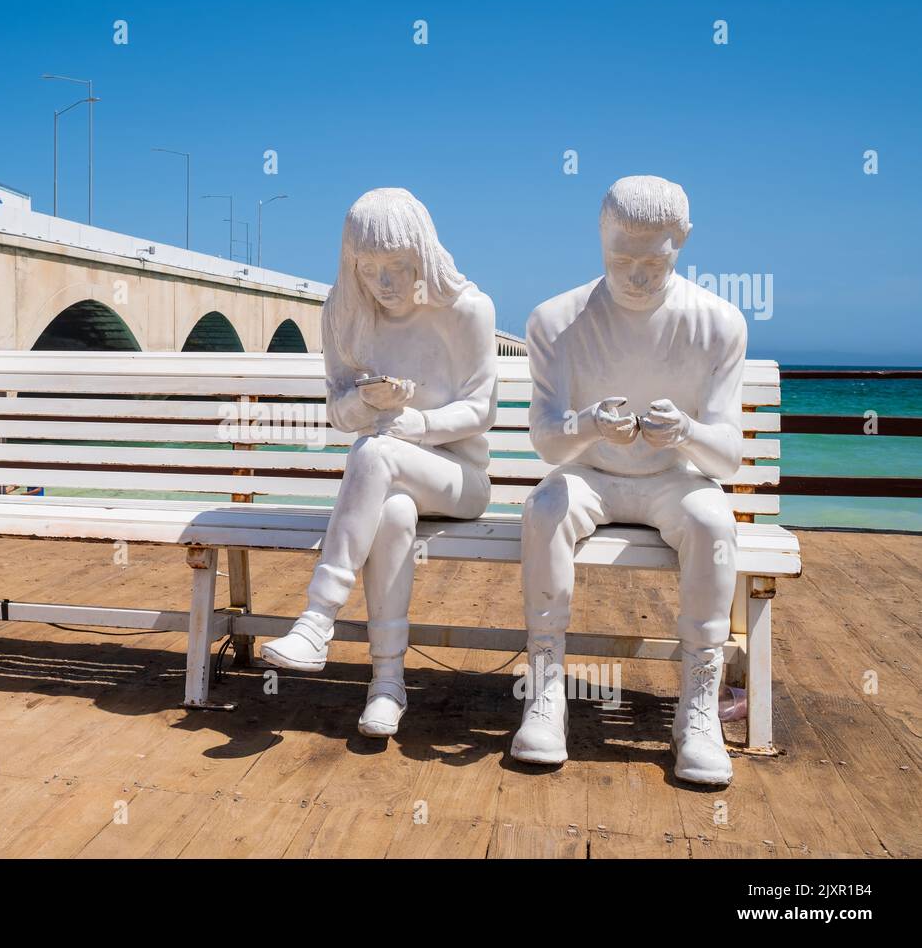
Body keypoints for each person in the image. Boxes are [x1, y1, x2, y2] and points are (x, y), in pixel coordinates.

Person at [515, 175, 746, 785]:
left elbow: (726, 460)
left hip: (672, 477)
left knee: (712, 518)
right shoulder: (555, 321)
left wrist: (688, 432)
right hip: (591, 473)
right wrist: (589, 424)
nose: (638, 277)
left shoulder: (718, 323)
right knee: (545, 510)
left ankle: (698, 707)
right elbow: (546, 442)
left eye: (654, 262)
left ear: (684, 241)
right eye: (622, 260)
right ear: (600, 238)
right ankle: (544, 690)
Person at [260, 188, 497, 738]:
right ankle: (386, 685)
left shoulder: (467, 310)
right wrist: (368, 400)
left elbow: (482, 409)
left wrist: (419, 424)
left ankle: (318, 618)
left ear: (424, 254)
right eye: (369, 269)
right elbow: (340, 414)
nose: (384, 284)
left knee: (376, 450)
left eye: (397, 266)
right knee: (391, 517)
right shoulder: (345, 315)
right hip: (386, 482)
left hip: (460, 479)